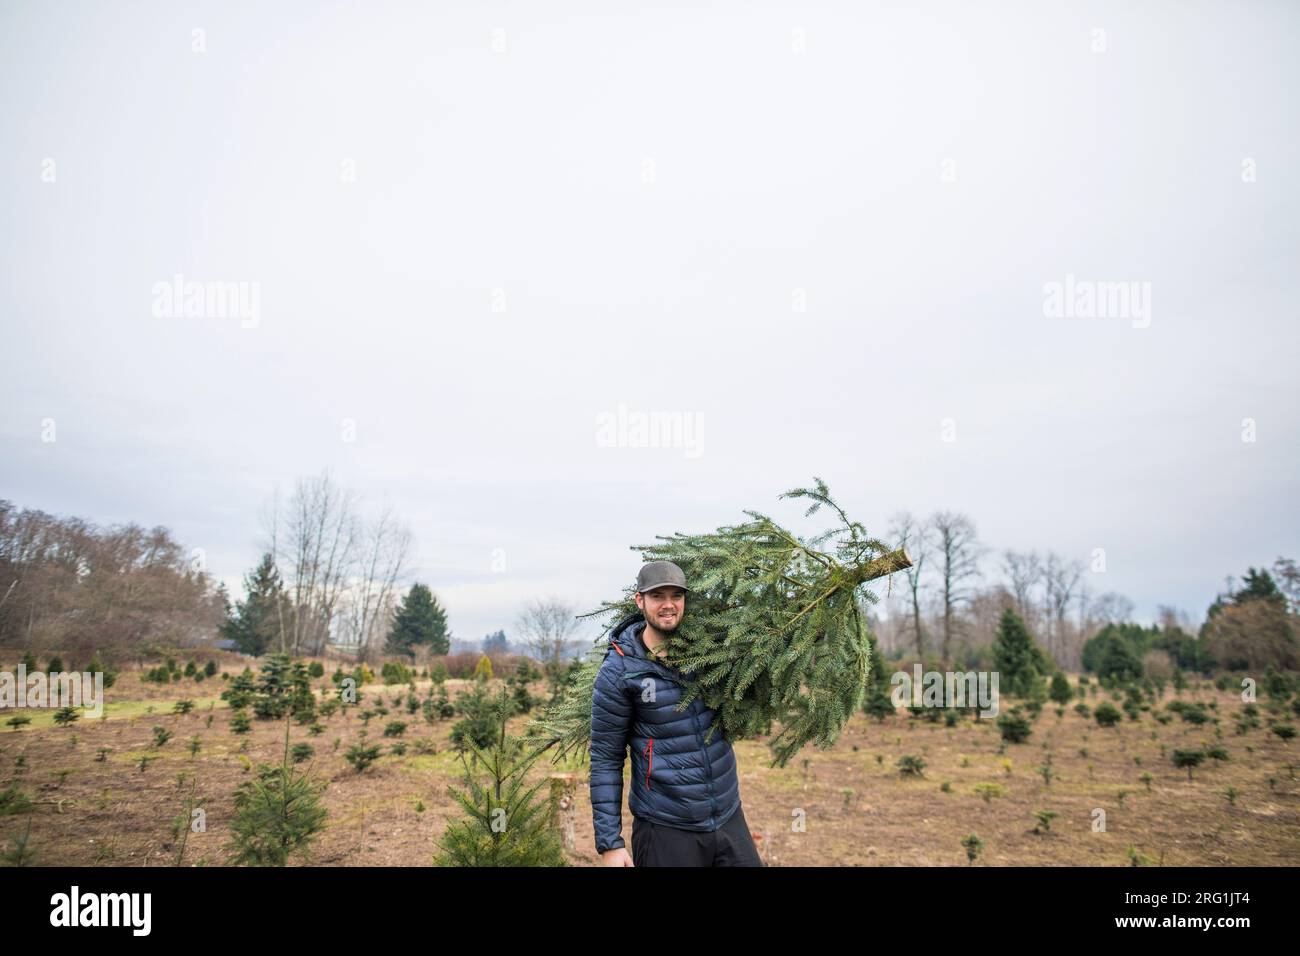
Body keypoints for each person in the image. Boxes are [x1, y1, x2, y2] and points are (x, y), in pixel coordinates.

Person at [589, 559, 762, 866]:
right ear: (639, 600)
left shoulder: (710, 651)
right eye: (658, 596)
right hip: (666, 828)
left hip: (727, 815)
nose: (668, 605)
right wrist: (609, 844)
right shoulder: (620, 672)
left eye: (676, 596)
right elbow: (605, 759)